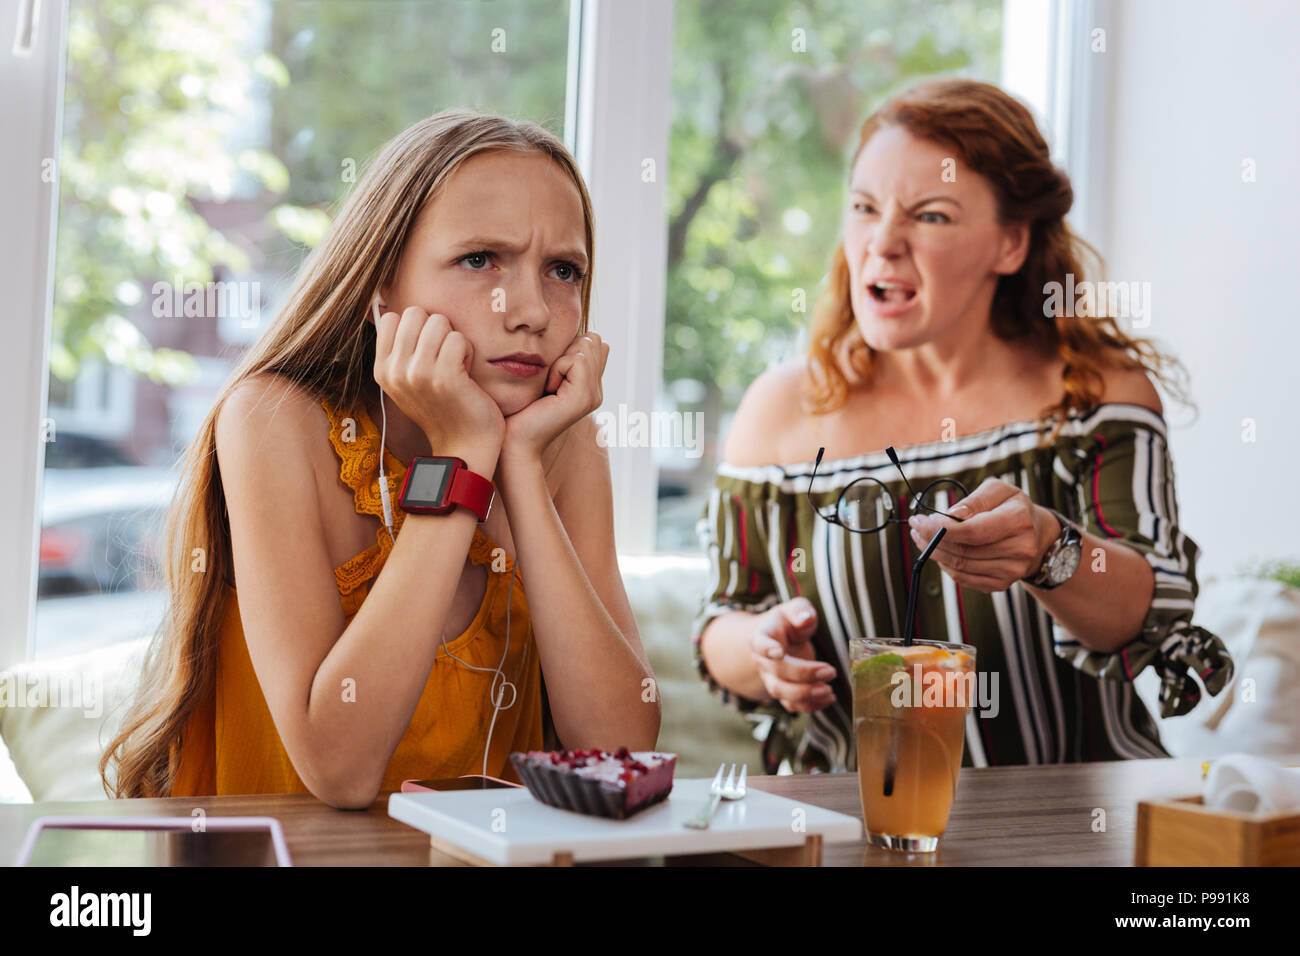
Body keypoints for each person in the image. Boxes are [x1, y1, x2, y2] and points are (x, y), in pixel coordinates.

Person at [102, 110, 658, 807]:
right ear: (381, 285)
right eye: (480, 260)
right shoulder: (273, 422)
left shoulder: (560, 441)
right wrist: (460, 461)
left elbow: (625, 755)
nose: (531, 310)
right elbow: (340, 770)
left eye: (562, 270)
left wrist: (517, 467)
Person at [692, 78, 1233, 774]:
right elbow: (722, 623)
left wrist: (1049, 549)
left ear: (1009, 244)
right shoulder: (779, 414)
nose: (882, 244)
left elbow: (1143, 609)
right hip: (843, 825)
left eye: (932, 216)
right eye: (864, 207)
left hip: (1071, 825)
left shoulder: (1095, 395)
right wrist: (764, 652)